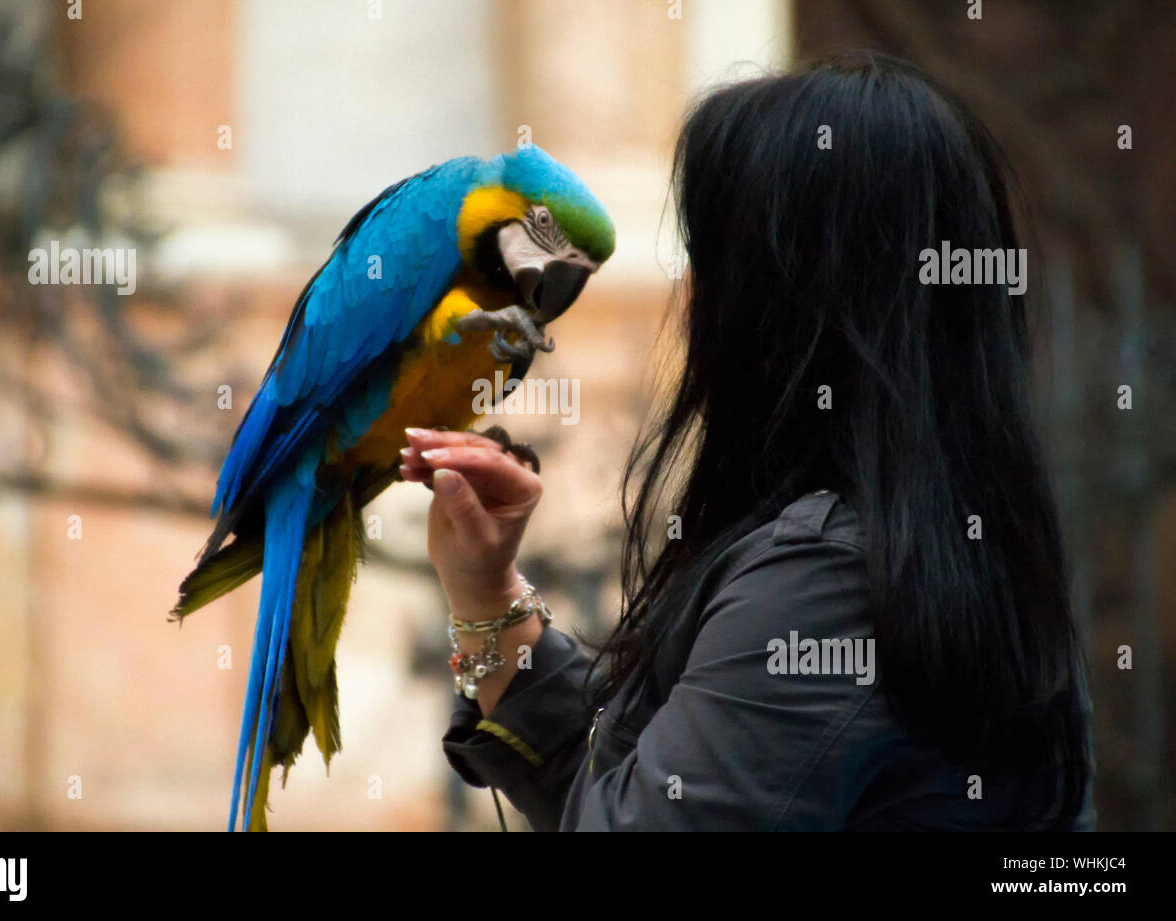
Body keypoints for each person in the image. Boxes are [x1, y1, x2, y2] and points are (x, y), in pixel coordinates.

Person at [399, 52, 1095, 831]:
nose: (689, 298)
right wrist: (487, 591)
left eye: (711, 258)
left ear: (788, 302)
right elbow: (626, 795)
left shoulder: (823, 583)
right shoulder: (932, 550)